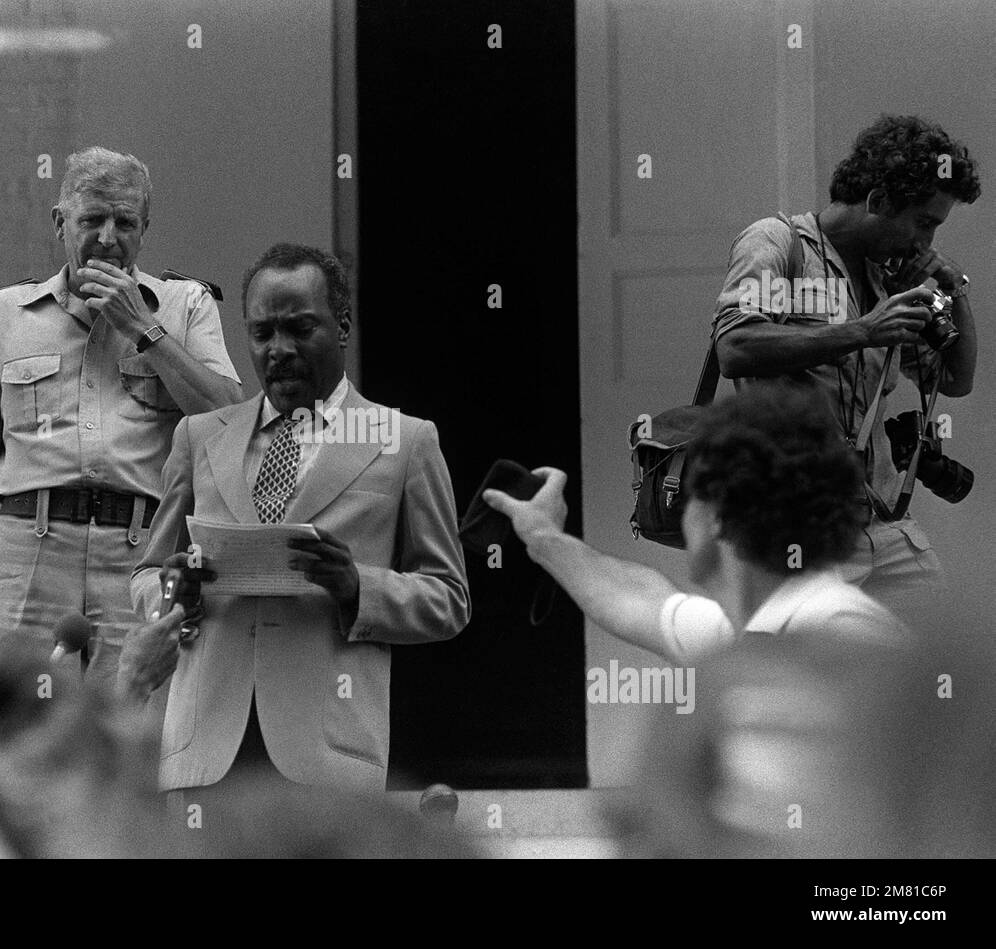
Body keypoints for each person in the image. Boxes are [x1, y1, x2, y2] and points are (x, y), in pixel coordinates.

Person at [129, 243, 470, 793]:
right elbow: (146, 579)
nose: (279, 350)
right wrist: (174, 588)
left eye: (299, 329)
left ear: (341, 327)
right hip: (204, 749)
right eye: (262, 334)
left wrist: (358, 586)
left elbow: (449, 599)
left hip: (329, 755)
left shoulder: (406, 441)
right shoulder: (198, 436)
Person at [0, 146, 243, 646]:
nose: (107, 238)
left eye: (125, 222)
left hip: (141, 554)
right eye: (92, 220)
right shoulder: (4, 312)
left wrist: (145, 329)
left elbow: (228, 421)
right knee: (18, 718)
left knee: (130, 714)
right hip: (27, 552)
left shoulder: (186, 306)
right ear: (61, 224)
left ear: (144, 228)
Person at [712, 114, 980, 623]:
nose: (925, 242)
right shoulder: (778, 243)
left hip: (881, 518)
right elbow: (735, 347)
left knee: (936, 663)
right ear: (878, 200)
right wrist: (862, 331)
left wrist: (954, 288)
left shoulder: (889, 276)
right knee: (816, 678)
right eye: (924, 222)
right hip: (797, 524)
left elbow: (953, 381)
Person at [485, 386, 905, 662]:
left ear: (717, 517)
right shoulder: (756, 625)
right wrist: (543, 537)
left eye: (689, 503)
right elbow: (638, 599)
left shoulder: (842, 634)